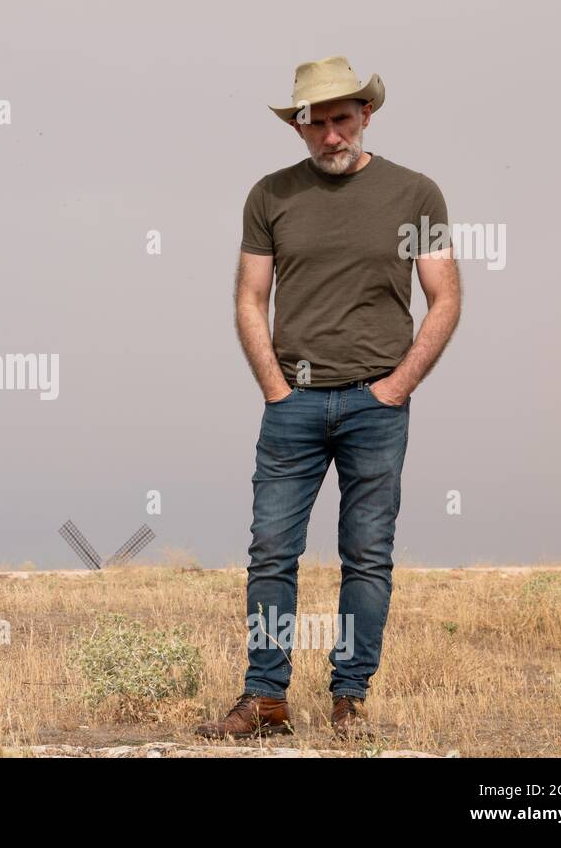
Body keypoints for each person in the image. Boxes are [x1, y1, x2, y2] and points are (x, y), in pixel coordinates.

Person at [196, 56, 462, 741]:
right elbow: (250, 298)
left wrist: (397, 386)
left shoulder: (416, 194)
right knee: (270, 553)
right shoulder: (270, 196)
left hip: (378, 405)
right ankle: (265, 698)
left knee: (367, 555)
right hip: (294, 405)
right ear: (299, 126)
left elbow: (445, 297)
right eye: (315, 123)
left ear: (366, 115)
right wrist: (275, 389)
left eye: (342, 119)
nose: (330, 135)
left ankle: (350, 700)